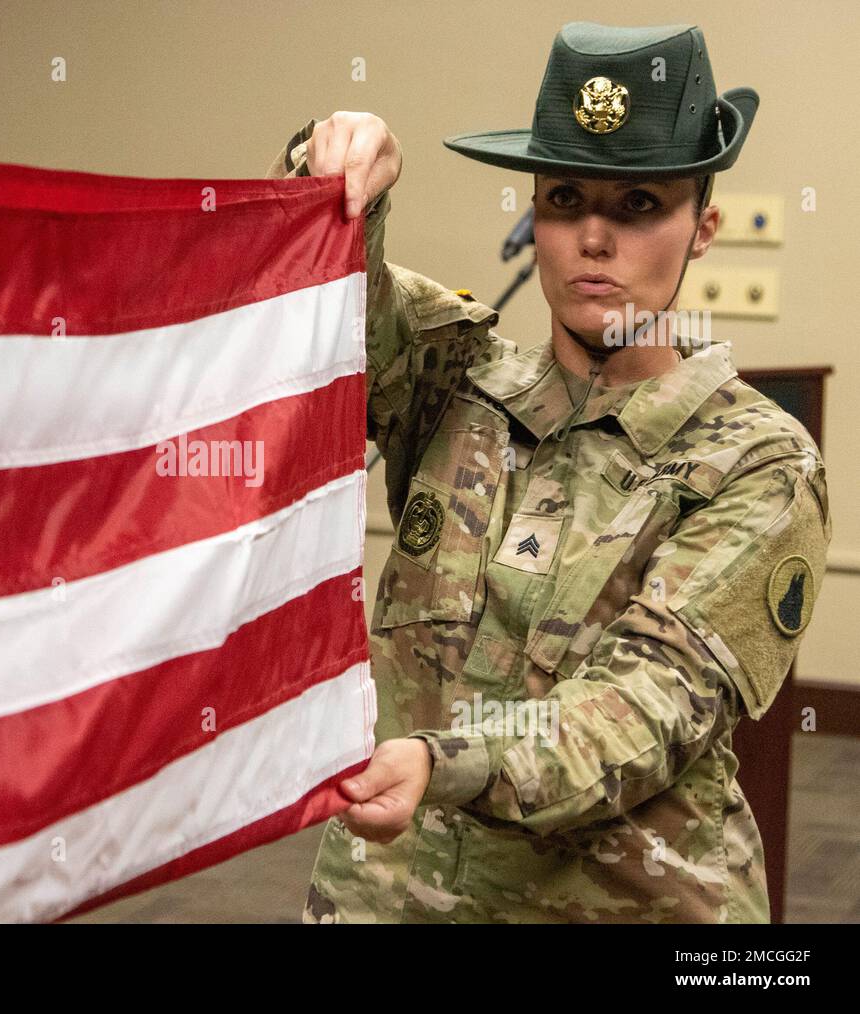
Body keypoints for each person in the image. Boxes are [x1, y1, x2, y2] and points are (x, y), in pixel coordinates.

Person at [264, 21, 831, 923]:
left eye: (640, 204)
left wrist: (442, 761)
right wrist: (332, 166)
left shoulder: (756, 460)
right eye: (565, 199)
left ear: (704, 228)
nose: (594, 239)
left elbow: (645, 706)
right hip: (388, 898)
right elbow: (326, 296)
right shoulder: (455, 379)